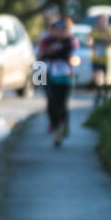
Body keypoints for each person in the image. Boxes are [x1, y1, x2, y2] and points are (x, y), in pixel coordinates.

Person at [36, 16, 79, 148]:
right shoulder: (46, 41)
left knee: (63, 103)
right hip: (48, 76)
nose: (59, 32)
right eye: (57, 30)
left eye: (62, 30)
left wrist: (72, 59)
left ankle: (62, 127)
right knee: (51, 102)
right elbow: (38, 58)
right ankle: (55, 126)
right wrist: (38, 80)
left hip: (66, 78)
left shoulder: (71, 41)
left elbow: (75, 57)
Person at [89, 12, 111, 105]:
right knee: (97, 78)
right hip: (96, 58)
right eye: (100, 20)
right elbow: (89, 41)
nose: (102, 22)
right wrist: (93, 44)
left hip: (107, 59)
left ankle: (106, 96)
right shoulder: (94, 30)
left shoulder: (110, 30)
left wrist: (106, 42)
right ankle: (99, 95)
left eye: (104, 20)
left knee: (107, 78)